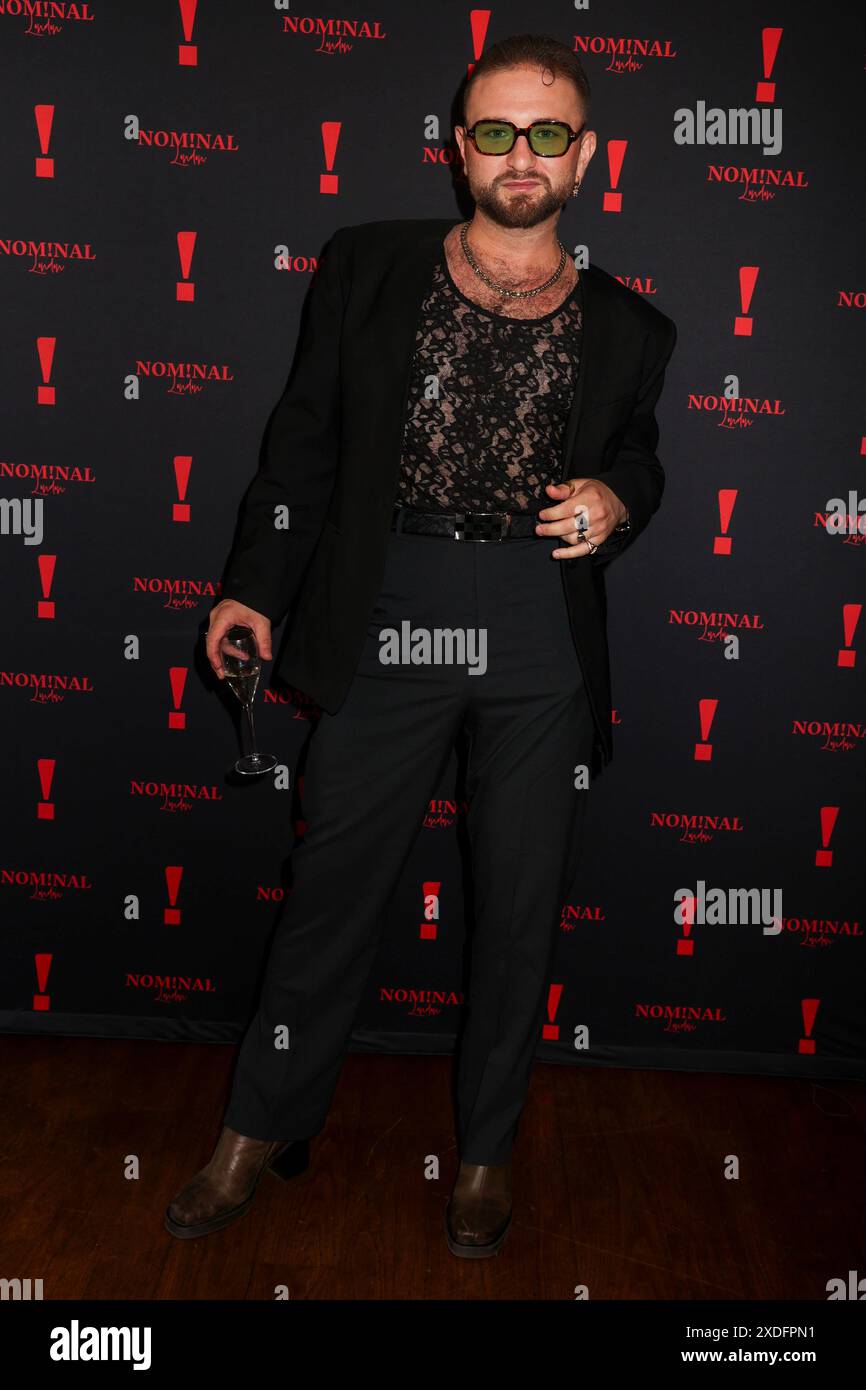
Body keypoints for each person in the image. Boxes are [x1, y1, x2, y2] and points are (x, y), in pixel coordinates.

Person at [164, 31, 677, 1258]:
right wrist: (249, 583)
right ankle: (254, 1128)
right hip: (388, 598)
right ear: (458, 151)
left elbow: (641, 457)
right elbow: (301, 443)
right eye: (495, 130)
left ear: (585, 156)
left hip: (536, 621)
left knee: (516, 909)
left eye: (546, 132)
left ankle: (486, 1154)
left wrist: (617, 498)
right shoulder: (366, 267)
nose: (520, 154)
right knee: (331, 890)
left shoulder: (630, 325)